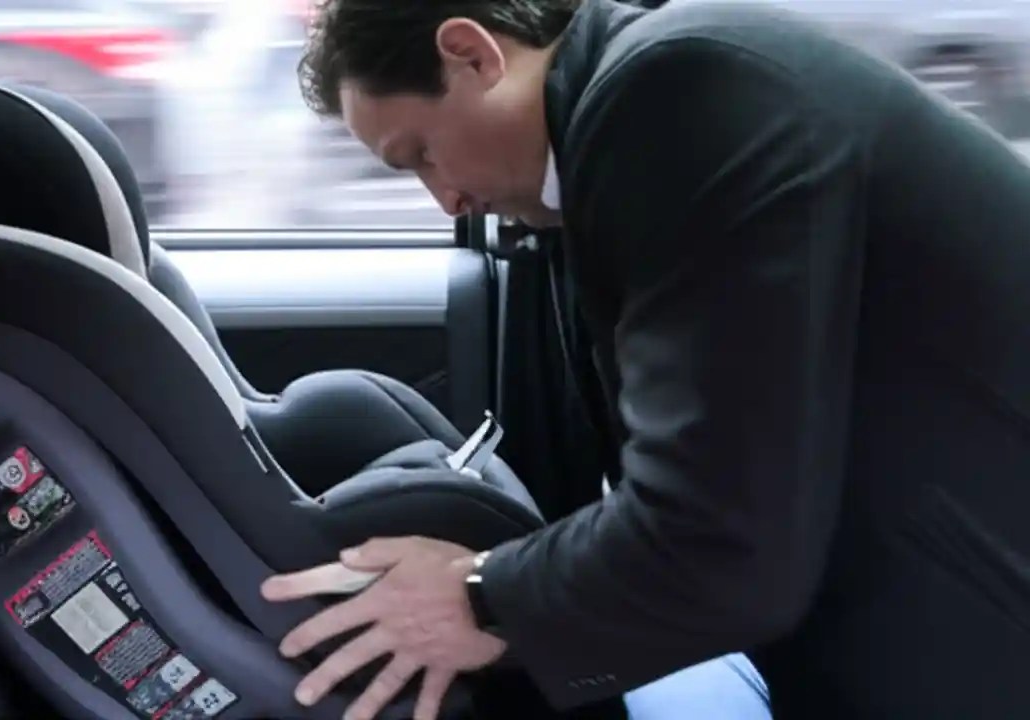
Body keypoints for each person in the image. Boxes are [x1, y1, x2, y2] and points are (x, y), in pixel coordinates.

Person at [260, 1, 1030, 718]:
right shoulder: (633, 110)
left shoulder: (677, 94)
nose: (446, 202)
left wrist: (475, 594)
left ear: (472, 55)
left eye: (422, 154)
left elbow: (718, 534)